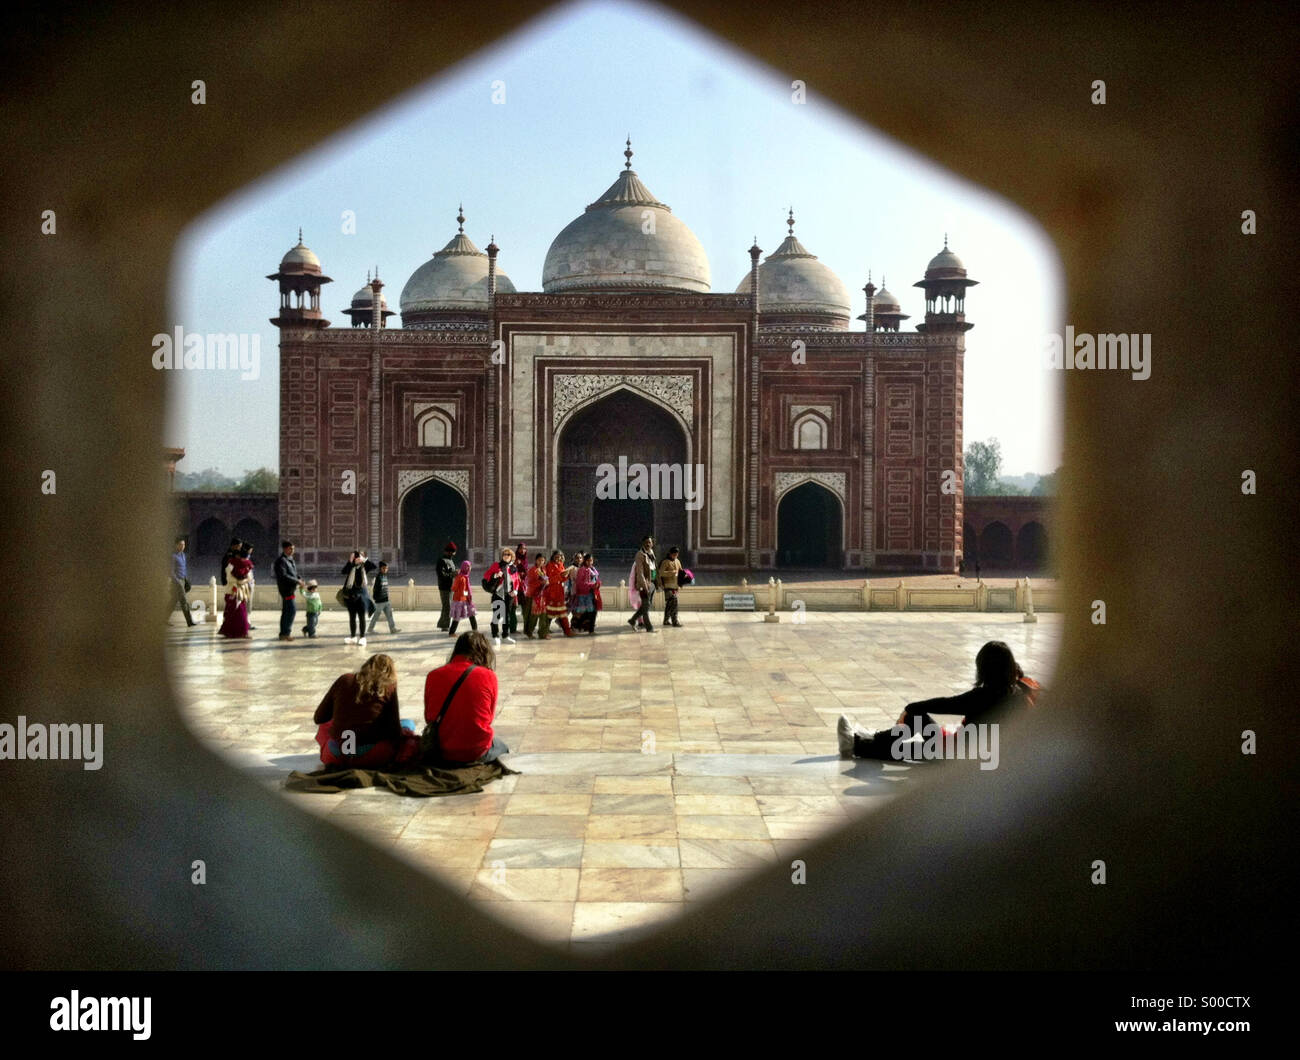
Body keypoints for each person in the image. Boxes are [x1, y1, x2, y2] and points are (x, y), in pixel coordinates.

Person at [837, 641, 1042, 759]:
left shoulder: (983, 696)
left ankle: (864, 742)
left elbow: (944, 704)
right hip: (986, 758)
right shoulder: (1018, 694)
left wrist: (909, 708)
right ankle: (859, 743)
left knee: (916, 719)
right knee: (910, 750)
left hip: (958, 756)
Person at [422, 632, 509, 766]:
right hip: (476, 749)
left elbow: (429, 717)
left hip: (443, 749)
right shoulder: (488, 676)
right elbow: (488, 718)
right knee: (501, 747)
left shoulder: (433, 675)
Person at [313, 654, 412, 769]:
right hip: (370, 756)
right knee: (408, 724)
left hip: (336, 755)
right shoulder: (388, 686)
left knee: (325, 726)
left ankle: (347, 754)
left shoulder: (344, 679)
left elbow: (319, 718)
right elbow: (394, 730)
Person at [484, 547, 518, 646]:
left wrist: (515, 590)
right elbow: (487, 575)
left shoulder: (513, 568)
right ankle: (495, 635)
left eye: (508, 555)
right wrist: (495, 575)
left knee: (506, 616)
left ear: (512, 556)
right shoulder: (497, 565)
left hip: (509, 595)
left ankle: (505, 635)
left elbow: (516, 581)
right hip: (498, 594)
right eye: (504, 554)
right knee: (497, 616)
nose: (506, 556)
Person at [273, 540, 304, 641]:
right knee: (291, 611)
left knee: (287, 611)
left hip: (290, 589)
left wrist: (299, 579)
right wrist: (297, 581)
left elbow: (293, 573)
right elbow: (283, 576)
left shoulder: (289, 560)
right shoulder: (281, 561)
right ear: (285, 549)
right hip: (286, 589)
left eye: (293, 548)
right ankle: (285, 633)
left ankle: (284, 633)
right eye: (291, 548)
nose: (293, 550)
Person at [541, 550, 576, 638]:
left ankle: (567, 631)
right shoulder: (549, 566)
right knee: (549, 614)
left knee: (562, 613)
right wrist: (561, 576)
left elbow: (563, 578)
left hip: (560, 592)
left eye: (560, 557)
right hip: (551, 592)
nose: (558, 558)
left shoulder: (561, 565)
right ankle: (544, 632)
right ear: (553, 557)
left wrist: (566, 575)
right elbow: (549, 580)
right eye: (556, 557)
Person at [340, 550, 371, 646]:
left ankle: (362, 637)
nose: (355, 559)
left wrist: (364, 560)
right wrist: (350, 562)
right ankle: (353, 637)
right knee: (352, 617)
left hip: (361, 596)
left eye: (357, 557)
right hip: (351, 596)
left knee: (362, 617)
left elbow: (372, 566)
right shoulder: (351, 567)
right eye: (354, 557)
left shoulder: (364, 567)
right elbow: (343, 571)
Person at [628, 536, 658, 633]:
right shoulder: (640, 555)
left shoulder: (651, 553)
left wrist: (657, 583)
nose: (648, 544)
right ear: (643, 543)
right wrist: (645, 586)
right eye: (646, 542)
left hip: (652, 583)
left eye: (649, 542)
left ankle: (633, 620)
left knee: (646, 605)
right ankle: (649, 627)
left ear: (652, 543)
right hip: (645, 584)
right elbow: (640, 573)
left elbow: (653, 569)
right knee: (646, 605)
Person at [367, 561, 401, 636]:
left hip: (386, 600)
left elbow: (385, 588)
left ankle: (392, 629)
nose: (385, 569)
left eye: (386, 568)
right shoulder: (378, 577)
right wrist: (376, 599)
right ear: (380, 568)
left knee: (390, 615)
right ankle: (370, 629)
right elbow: (375, 589)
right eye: (384, 568)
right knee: (376, 616)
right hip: (380, 601)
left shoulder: (385, 576)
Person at [167, 536, 195, 627]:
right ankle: (189, 621)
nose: (183, 546)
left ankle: (163, 618)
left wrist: (185, 579)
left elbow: (183, 569)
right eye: (181, 544)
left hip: (183, 580)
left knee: (173, 601)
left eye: (184, 544)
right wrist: (178, 582)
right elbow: (171, 572)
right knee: (184, 601)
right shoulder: (173, 556)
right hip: (177, 582)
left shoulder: (183, 555)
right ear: (176, 545)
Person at [571, 552, 600, 634]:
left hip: (592, 593)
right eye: (588, 561)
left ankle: (589, 629)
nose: (590, 562)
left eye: (591, 560)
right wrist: (592, 585)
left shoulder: (592, 569)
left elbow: (595, 578)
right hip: (584, 595)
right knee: (585, 612)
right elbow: (580, 583)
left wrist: (596, 584)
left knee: (591, 612)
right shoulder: (582, 570)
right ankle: (576, 627)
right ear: (585, 561)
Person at [448, 559, 478, 636]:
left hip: (466, 599)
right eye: (468, 567)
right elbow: (454, 588)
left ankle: (475, 631)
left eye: (470, 567)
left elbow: (465, 589)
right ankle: (451, 632)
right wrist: (462, 593)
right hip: (459, 600)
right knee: (457, 616)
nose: (470, 568)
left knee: (472, 614)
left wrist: (467, 595)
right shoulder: (460, 577)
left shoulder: (466, 577)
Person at [522, 553, 547, 638]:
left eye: (542, 560)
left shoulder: (543, 570)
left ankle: (542, 633)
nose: (541, 562)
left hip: (542, 596)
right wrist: (540, 582)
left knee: (543, 614)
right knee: (533, 615)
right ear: (536, 560)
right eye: (539, 560)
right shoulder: (532, 570)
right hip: (533, 595)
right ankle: (529, 632)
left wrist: (546, 583)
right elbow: (529, 582)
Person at [218, 574, 250, 639]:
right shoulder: (231, 567)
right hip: (233, 592)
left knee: (236, 613)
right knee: (236, 613)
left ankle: (237, 631)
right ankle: (237, 632)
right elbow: (233, 580)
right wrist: (246, 580)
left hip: (238, 591)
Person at [658, 545, 682, 628]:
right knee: (674, 602)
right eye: (674, 554)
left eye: (676, 555)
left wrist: (683, 580)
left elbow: (681, 572)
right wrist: (671, 572)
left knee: (669, 604)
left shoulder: (677, 561)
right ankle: (675, 621)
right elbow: (660, 573)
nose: (675, 556)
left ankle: (666, 620)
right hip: (667, 586)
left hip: (675, 586)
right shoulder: (665, 562)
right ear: (670, 554)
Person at [436, 541, 458, 631]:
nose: (452, 554)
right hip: (444, 587)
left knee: (447, 606)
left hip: (451, 587)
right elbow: (441, 575)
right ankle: (444, 626)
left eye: (453, 552)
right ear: (446, 551)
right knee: (447, 606)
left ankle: (443, 624)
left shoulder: (451, 561)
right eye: (451, 552)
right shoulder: (441, 561)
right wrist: (453, 574)